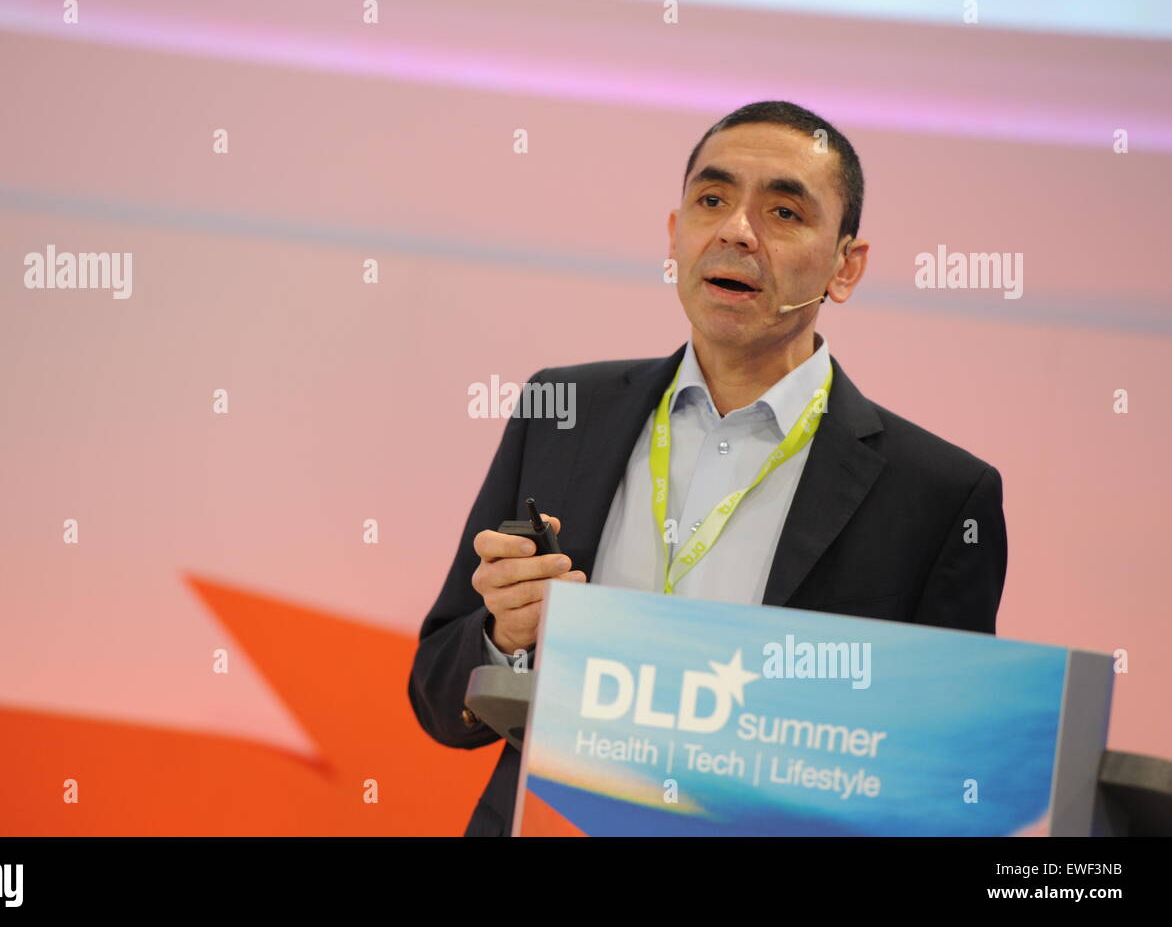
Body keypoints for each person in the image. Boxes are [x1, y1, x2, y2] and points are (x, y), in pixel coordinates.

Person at [407, 100, 1008, 837]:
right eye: (712, 200)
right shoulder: (562, 408)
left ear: (845, 266)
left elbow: (948, 781)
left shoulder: (941, 496)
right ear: (675, 234)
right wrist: (505, 635)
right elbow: (438, 695)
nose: (736, 230)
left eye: (784, 211)